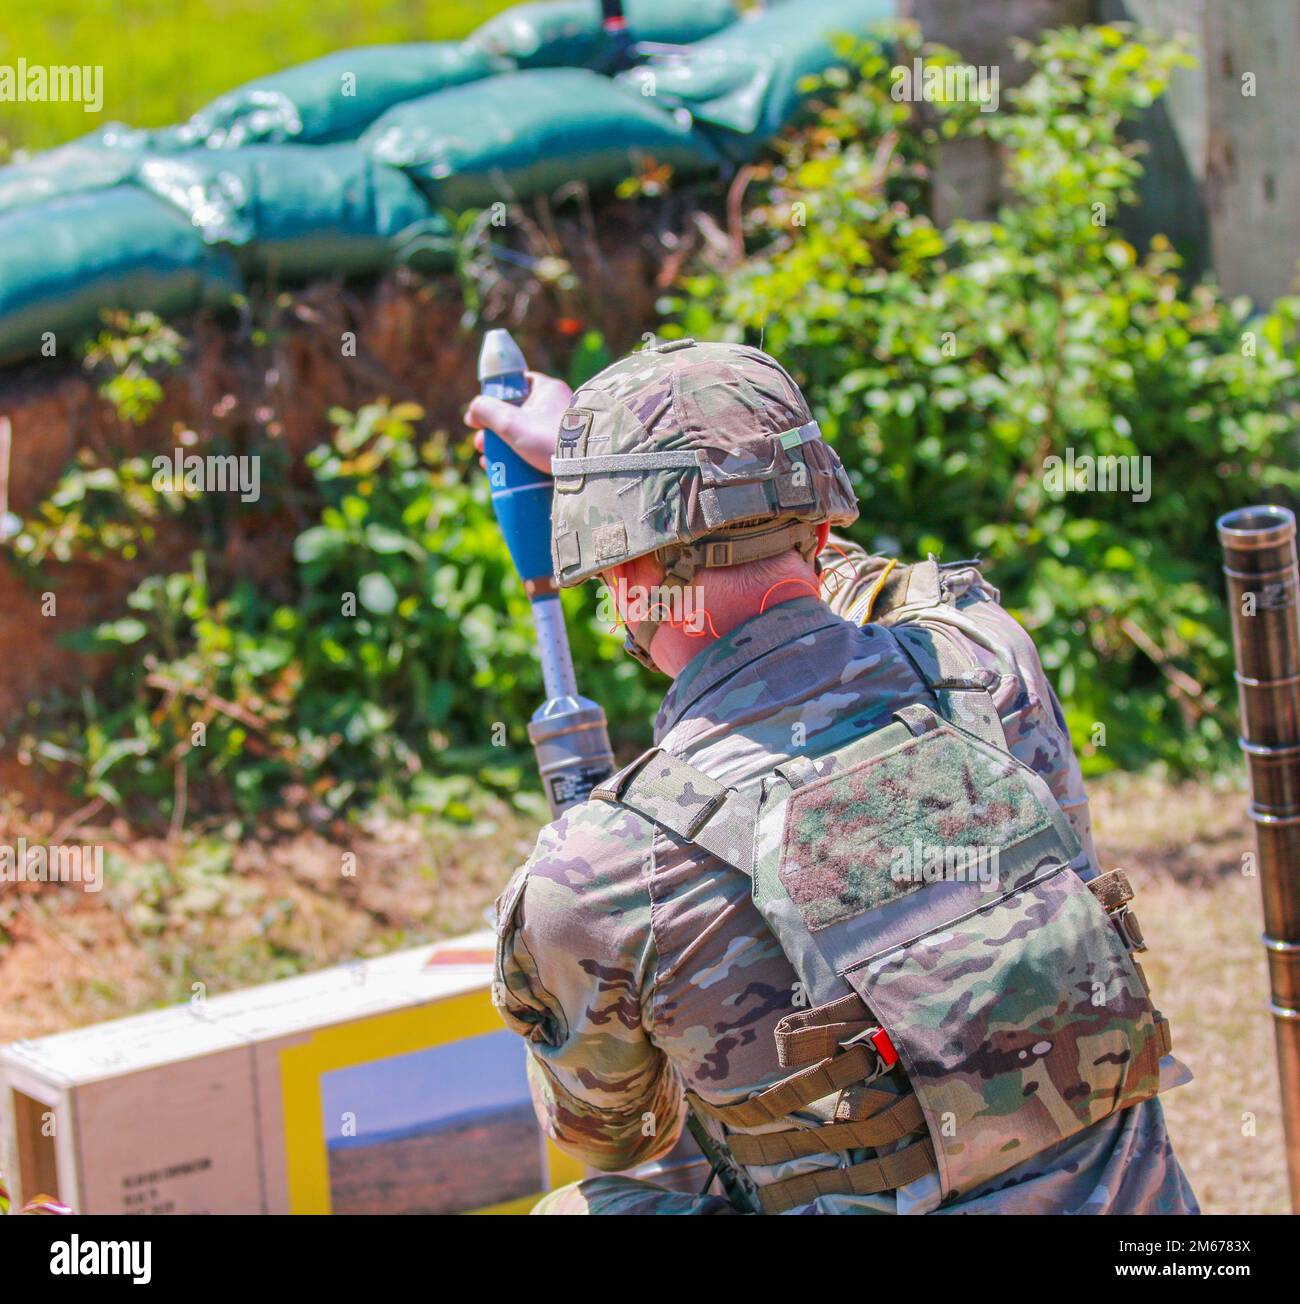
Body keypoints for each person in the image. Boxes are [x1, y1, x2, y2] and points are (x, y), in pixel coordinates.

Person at [465, 339, 1199, 1215]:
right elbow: (876, 587)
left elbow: (618, 1137)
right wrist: (620, 476)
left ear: (624, 583)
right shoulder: (988, 666)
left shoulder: (596, 873)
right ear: (819, 529)